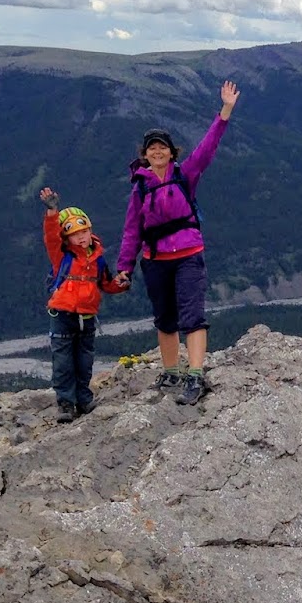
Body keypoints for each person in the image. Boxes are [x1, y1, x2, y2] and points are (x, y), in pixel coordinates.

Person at [115, 80, 239, 406]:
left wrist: (225, 111)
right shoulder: (139, 189)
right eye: (151, 148)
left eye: (162, 147)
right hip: (155, 259)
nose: (157, 151)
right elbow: (132, 232)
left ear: (171, 152)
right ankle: (171, 370)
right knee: (164, 318)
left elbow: (209, 147)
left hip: (188, 254)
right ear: (145, 155)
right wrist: (124, 268)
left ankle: (195, 374)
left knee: (192, 316)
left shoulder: (186, 174)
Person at [39, 188, 129, 422]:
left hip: (87, 317)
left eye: (85, 231)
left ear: (91, 231)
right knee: (63, 362)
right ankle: (66, 404)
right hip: (63, 315)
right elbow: (50, 236)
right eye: (75, 233)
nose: (81, 237)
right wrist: (52, 211)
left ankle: (84, 398)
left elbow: (107, 284)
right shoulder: (62, 257)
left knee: (84, 360)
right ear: (66, 237)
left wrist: (121, 284)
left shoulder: (97, 259)